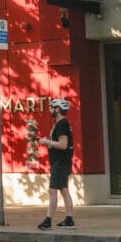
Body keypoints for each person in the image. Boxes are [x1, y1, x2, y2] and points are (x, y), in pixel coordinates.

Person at [37, 97, 76, 229]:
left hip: (60, 163)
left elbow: (63, 145)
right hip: (62, 162)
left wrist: (47, 142)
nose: (50, 110)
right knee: (64, 190)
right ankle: (69, 219)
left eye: (52, 107)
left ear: (58, 109)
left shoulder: (61, 125)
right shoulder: (63, 124)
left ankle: (48, 221)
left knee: (52, 191)